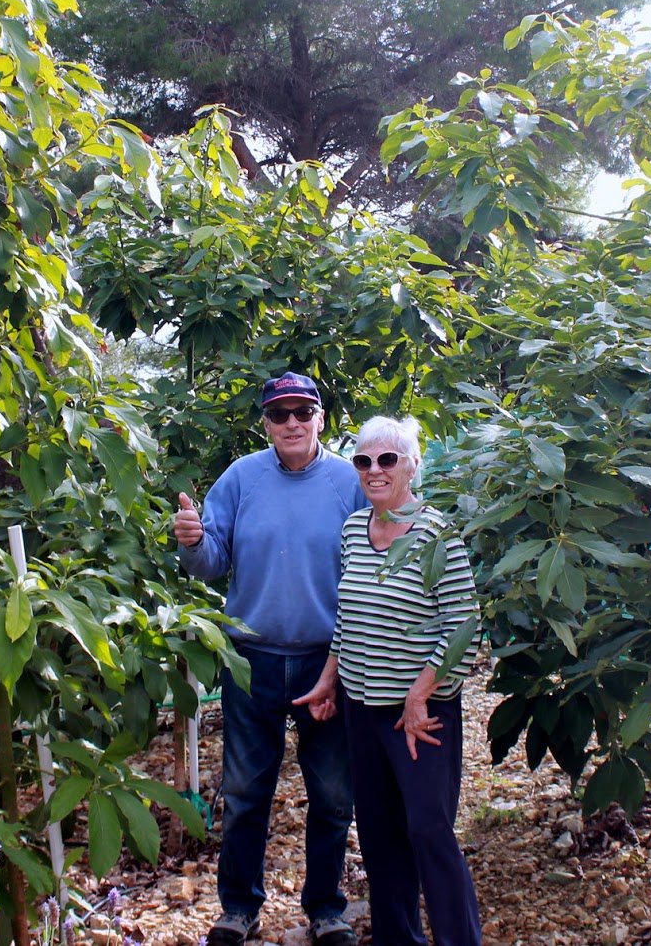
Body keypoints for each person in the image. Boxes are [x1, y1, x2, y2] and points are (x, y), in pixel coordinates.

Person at [174, 372, 367, 946]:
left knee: (332, 793)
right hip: (250, 660)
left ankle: (327, 909)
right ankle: (239, 908)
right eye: (279, 414)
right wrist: (192, 541)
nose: (291, 423)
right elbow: (211, 563)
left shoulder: (349, 481)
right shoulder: (241, 478)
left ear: (321, 419)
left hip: (327, 663)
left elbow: (375, 559)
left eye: (303, 412)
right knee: (244, 790)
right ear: (265, 423)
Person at [294, 414, 482, 946]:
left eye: (387, 459)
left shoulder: (436, 534)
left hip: (419, 715)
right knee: (378, 835)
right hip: (361, 710)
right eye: (363, 460)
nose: (374, 470)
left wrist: (420, 695)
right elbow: (348, 619)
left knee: (428, 830)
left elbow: (464, 624)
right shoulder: (355, 529)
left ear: (411, 466)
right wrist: (329, 680)